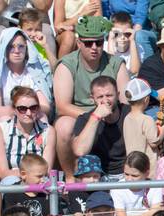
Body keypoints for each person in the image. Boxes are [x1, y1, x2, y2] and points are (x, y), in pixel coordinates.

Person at [53, 15, 129, 172]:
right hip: (80, 115)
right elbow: (62, 106)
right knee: (63, 126)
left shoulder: (116, 63)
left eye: (99, 42)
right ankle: (70, 176)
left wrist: (107, 114)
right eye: (88, 43)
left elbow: (125, 101)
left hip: (113, 114)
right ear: (79, 43)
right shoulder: (67, 65)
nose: (94, 47)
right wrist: (94, 117)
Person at [0, 25, 52, 128]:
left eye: (21, 46)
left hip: (31, 117)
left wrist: (27, 111)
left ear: (26, 47)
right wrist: (19, 111)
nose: (17, 51)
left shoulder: (33, 72)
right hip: (9, 118)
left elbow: (45, 107)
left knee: (42, 118)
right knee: (1, 122)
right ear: (4, 48)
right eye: (11, 47)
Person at [0, 84, 53, 178]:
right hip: (12, 182)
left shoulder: (48, 131)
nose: (28, 113)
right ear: (14, 109)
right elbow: (3, 173)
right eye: (22, 109)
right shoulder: (0, 130)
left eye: (33, 108)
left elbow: (46, 170)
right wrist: (31, 175)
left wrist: (28, 176)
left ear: (38, 108)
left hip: (39, 182)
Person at [69, 73, 127, 176]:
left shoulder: (129, 113)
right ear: (92, 99)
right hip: (99, 175)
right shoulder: (86, 119)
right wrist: (96, 117)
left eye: (109, 95)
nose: (105, 100)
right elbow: (79, 151)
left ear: (118, 95)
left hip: (129, 174)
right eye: (100, 97)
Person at [119, 76, 161, 160]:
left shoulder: (127, 118)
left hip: (133, 163)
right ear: (146, 99)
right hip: (147, 167)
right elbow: (154, 143)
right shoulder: (147, 120)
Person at [104, 10, 140, 75]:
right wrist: (110, 38)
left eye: (127, 33)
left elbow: (135, 71)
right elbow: (110, 70)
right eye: (117, 33)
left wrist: (132, 40)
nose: (122, 37)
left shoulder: (136, 47)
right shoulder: (105, 46)